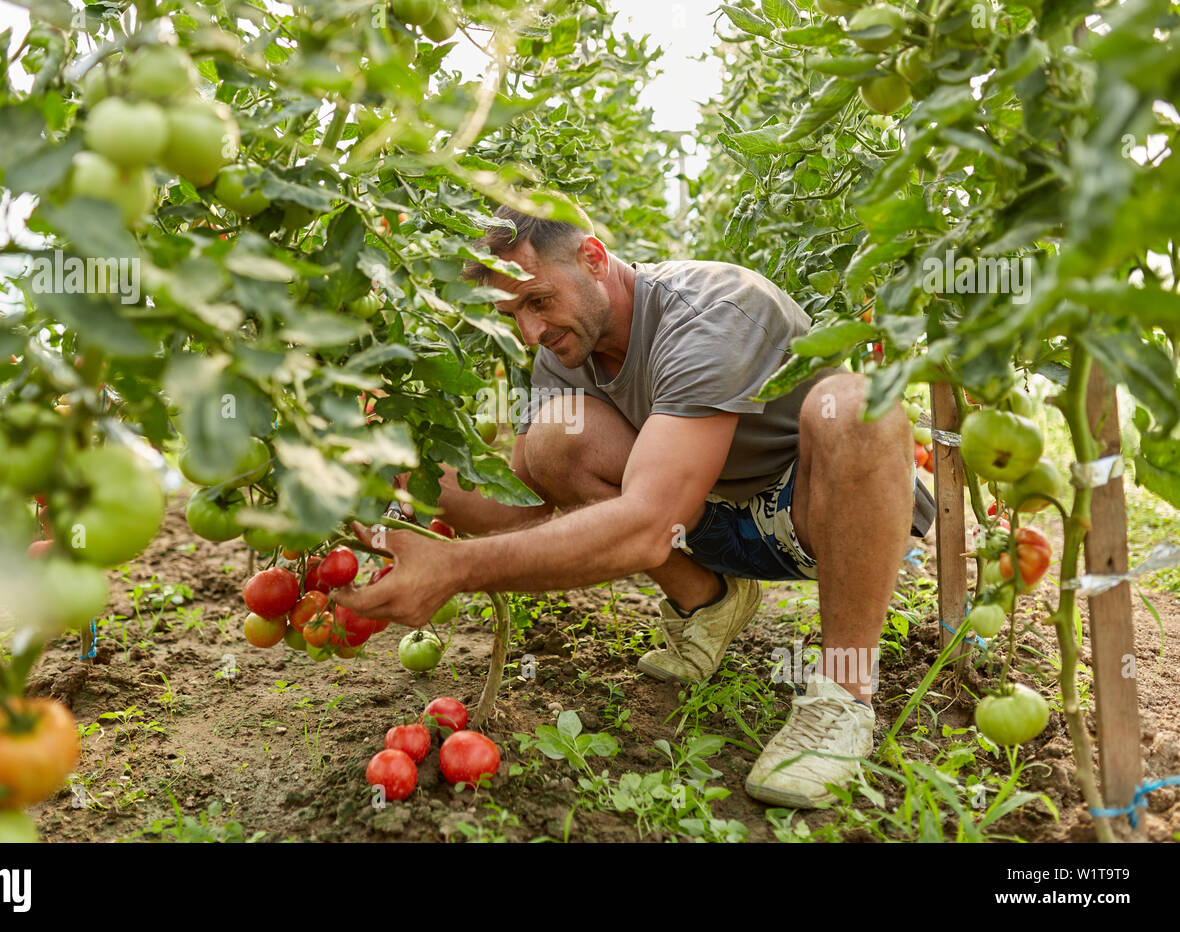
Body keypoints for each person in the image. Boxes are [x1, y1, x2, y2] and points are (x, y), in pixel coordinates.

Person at [333, 204, 935, 808]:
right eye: (513, 314)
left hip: (820, 519)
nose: (531, 332)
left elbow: (648, 523)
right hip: (708, 522)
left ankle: (843, 695)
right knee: (553, 440)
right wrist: (395, 469)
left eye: (537, 301)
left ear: (593, 258)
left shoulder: (711, 308)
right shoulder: (562, 357)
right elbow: (518, 499)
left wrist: (456, 569)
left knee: (858, 406)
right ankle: (711, 604)